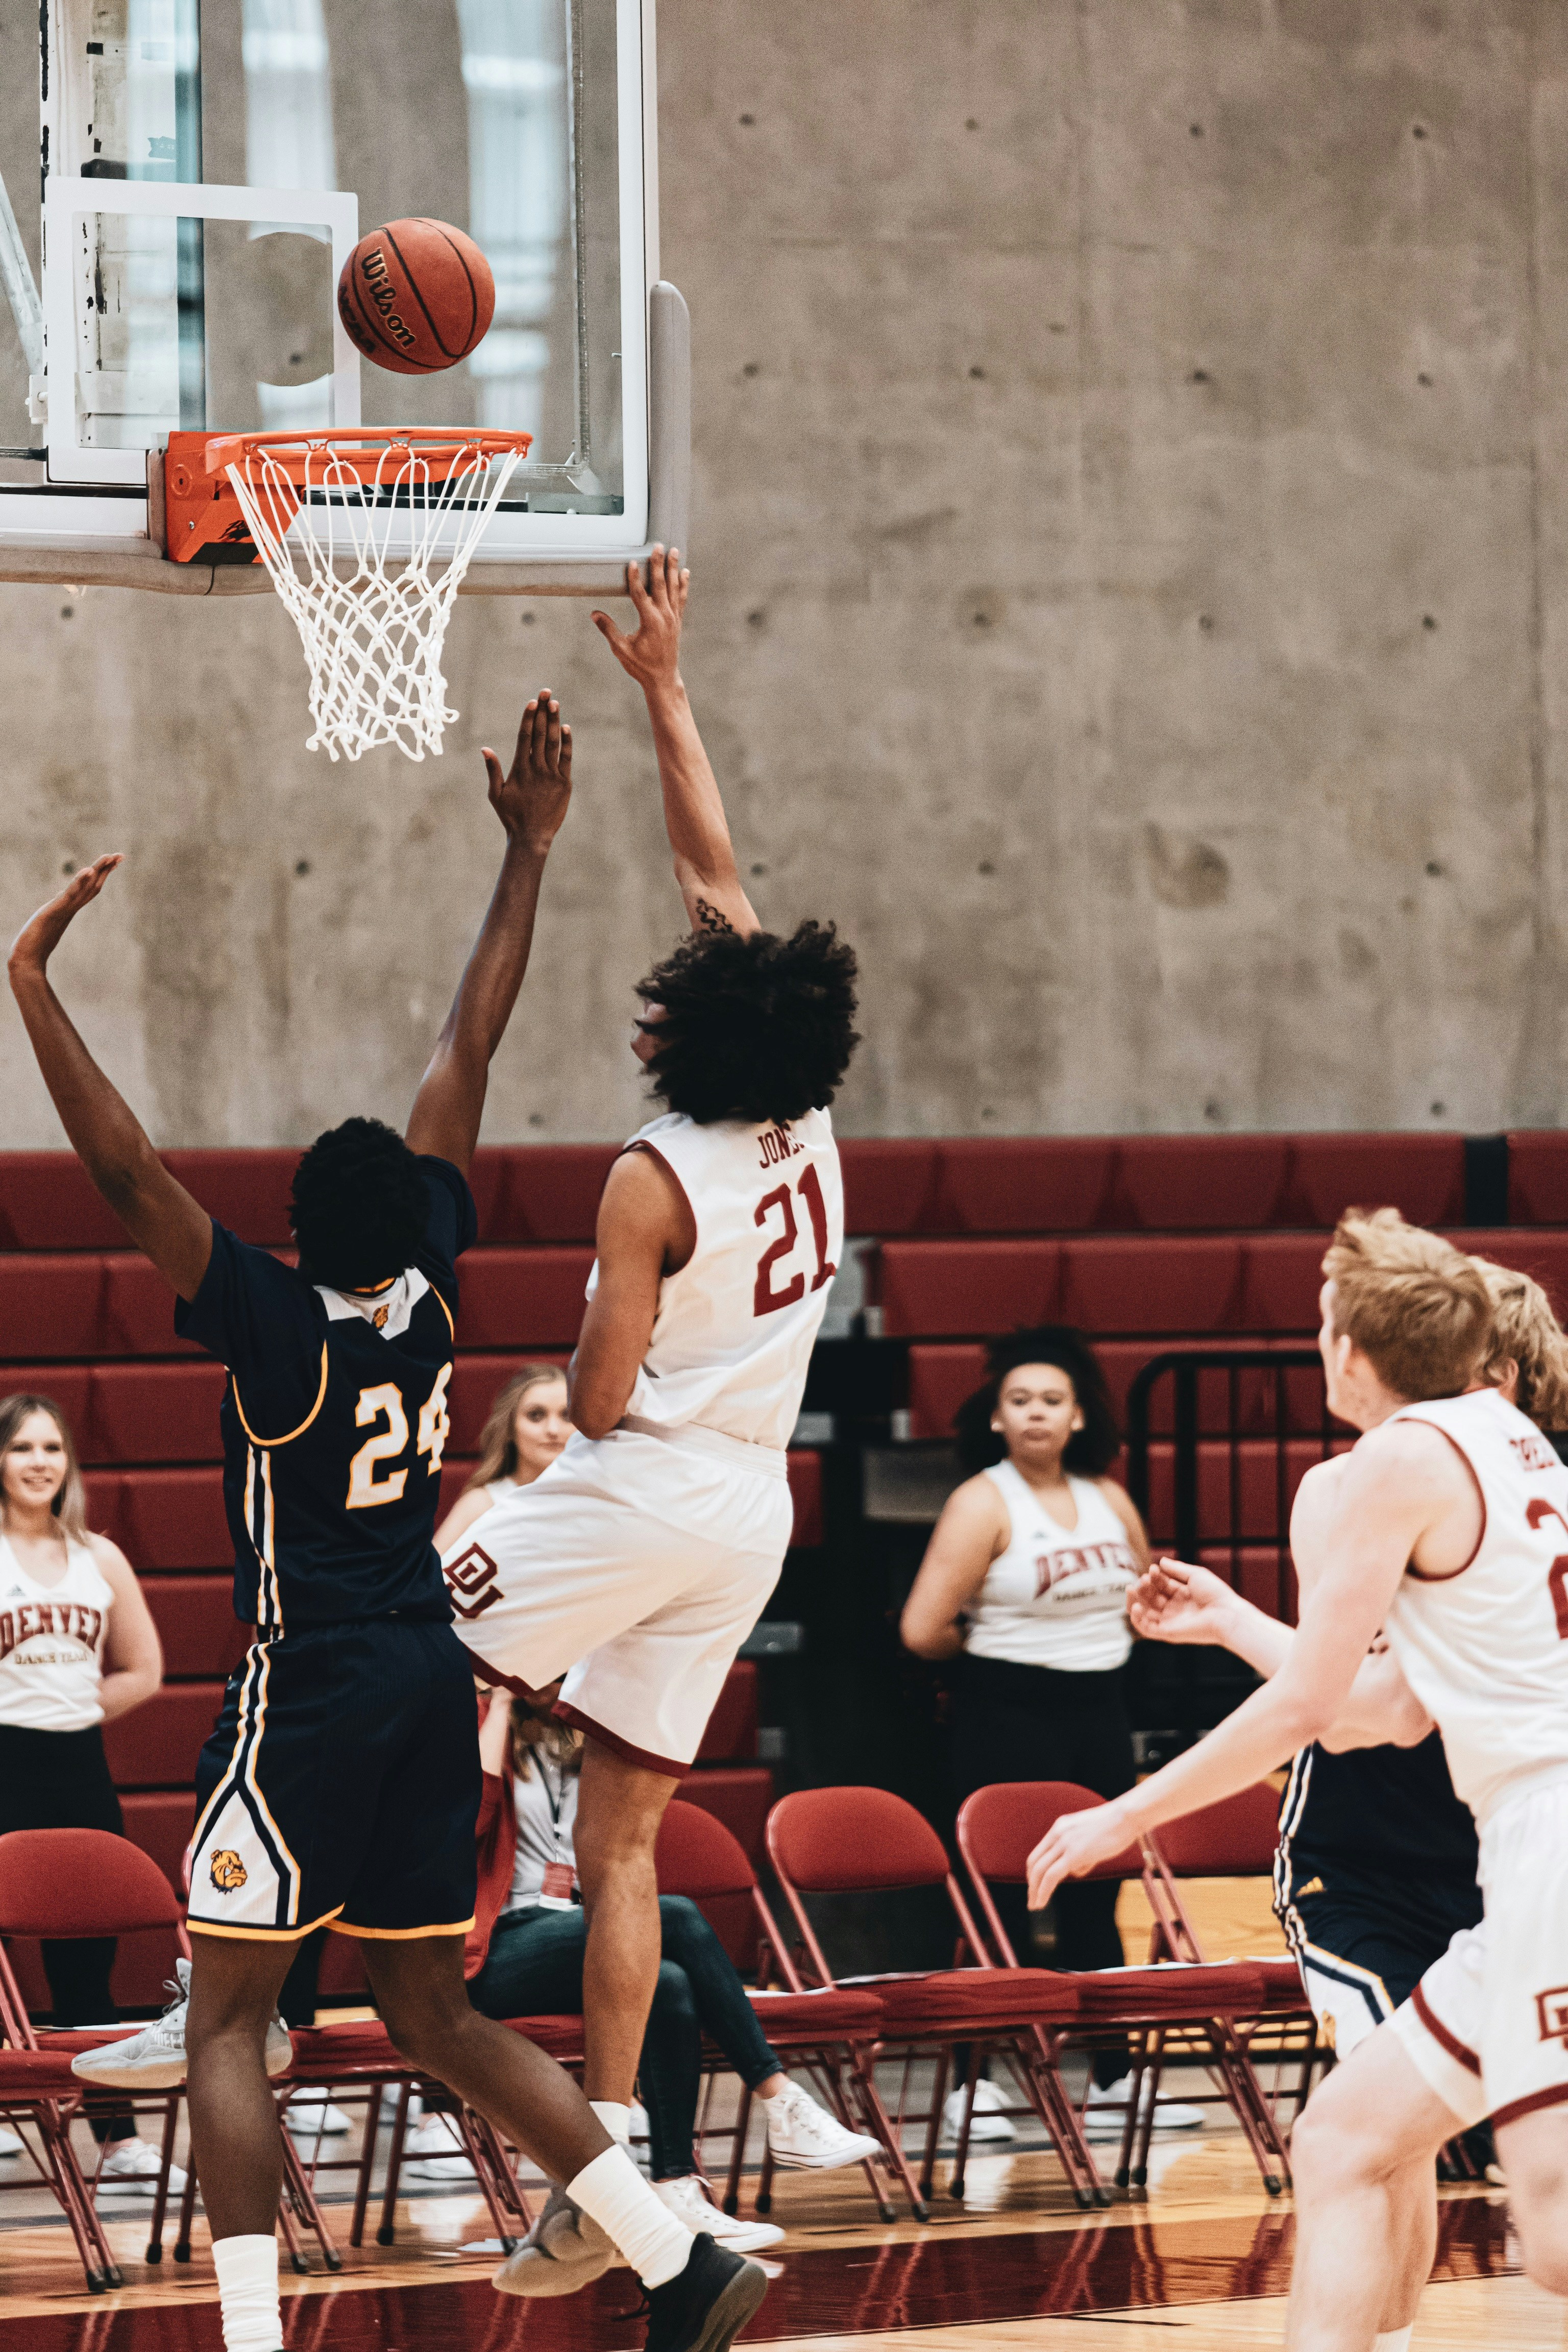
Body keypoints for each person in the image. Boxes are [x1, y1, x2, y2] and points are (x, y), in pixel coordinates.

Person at [9, 694, 766, 2352]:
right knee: (422, 1995)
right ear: (408, 1217)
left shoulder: (275, 1325)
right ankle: (673, 2249)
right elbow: (465, 1047)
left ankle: (259, 2337)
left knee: (225, 2021)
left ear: (288, 1232)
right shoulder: (425, 1290)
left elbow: (130, 1170)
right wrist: (528, 850)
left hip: (313, 1682)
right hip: (436, 1675)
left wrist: (32, 986)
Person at [439, 550, 860, 2283]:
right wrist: (666, 688)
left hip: (644, 1478)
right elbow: (712, 865)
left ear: (685, 1039)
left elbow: (594, 1394)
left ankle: (245, 1971)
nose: (652, 996)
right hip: (752, 1499)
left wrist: (595, 1325)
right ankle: (610, 2164)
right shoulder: (805, 1112)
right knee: (621, 1834)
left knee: (388, 1626)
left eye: (662, 1005)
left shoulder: (649, 1170)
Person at [1027, 1207, 1568, 2352]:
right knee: (1351, 2145)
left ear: (1350, 1356)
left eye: (1327, 1323)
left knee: (1529, 2222)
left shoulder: (1396, 1461)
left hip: (1545, 1836)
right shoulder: (1508, 1437)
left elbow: (1319, 1708)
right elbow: (1392, 1707)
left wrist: (1123, 1814)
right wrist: (1233, 1619)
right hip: (1519, 1852)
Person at [899, 1329, 1199, 2141]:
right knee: (995, 1902)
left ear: (1077, 1418)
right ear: (996, 1419)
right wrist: (1001, 1663)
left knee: (1100, 1896)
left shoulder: (1110, 1496)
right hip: (1004, 1715)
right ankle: (972, 2088)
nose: (1035, 1414)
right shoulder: (982, 1501)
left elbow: (1149, 1600)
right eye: (1019, 1401)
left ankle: (1110, 2079)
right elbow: (924, 1627)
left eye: (1051, 1401)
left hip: (1101, 1711)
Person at [0, 1391, 172, 2190]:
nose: (39, 1462)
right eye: (22, 1448)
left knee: (86, 1962)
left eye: (52, 1448)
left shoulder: (98, 1556)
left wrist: (70, 1706)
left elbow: (144, 1669)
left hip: (78, 1767)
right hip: (4, 1761)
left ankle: (115, 2136)